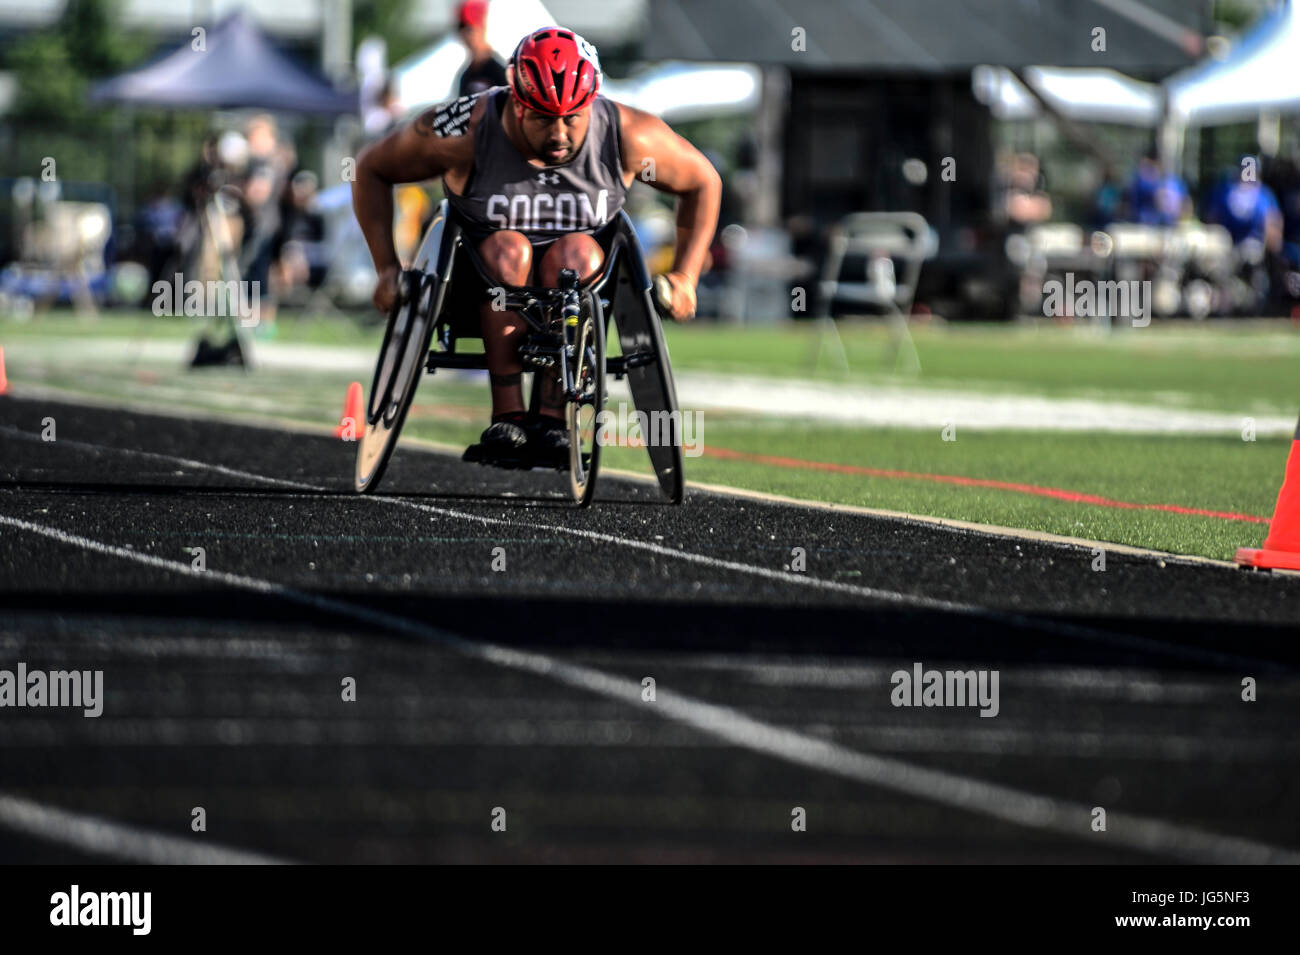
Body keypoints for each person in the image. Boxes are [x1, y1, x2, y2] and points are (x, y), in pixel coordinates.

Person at [353, 25, 721, 465]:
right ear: (516, 100)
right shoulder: (464, 130)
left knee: (577, 252)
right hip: (477, 278)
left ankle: (552, 415)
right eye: (544, 118)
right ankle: (506, 413)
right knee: (510, 249)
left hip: (581, 281)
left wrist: (685, 276)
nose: (560, 133)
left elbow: (703, 181)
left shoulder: (627, 134)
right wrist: (387, 269)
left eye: (573, 117)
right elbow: (371, 169)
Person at [455, 0, 507, 97]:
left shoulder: (501, 71)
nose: (466, 34)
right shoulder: (466, 76)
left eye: (471, 28)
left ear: (484, 27)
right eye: (461, 27)